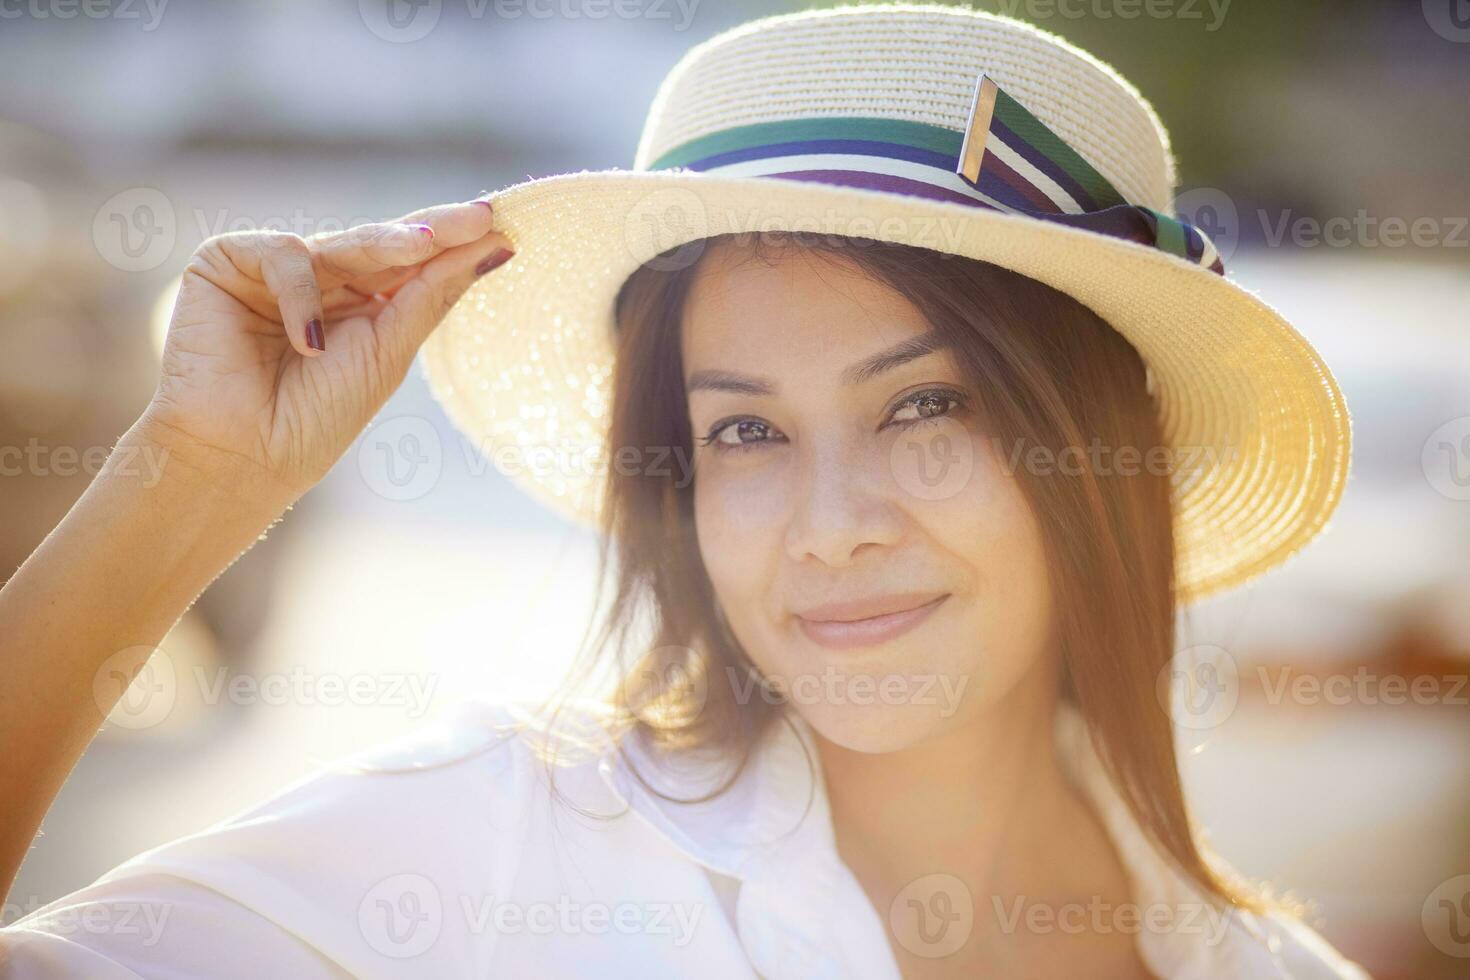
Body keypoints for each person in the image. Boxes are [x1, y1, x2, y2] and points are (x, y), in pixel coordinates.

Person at [0, 5, 1369, 977]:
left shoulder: (1267, 968)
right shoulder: (493, 846)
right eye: (744, 436)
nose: (832, 529)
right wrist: (187, 481)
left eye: (926, 406)